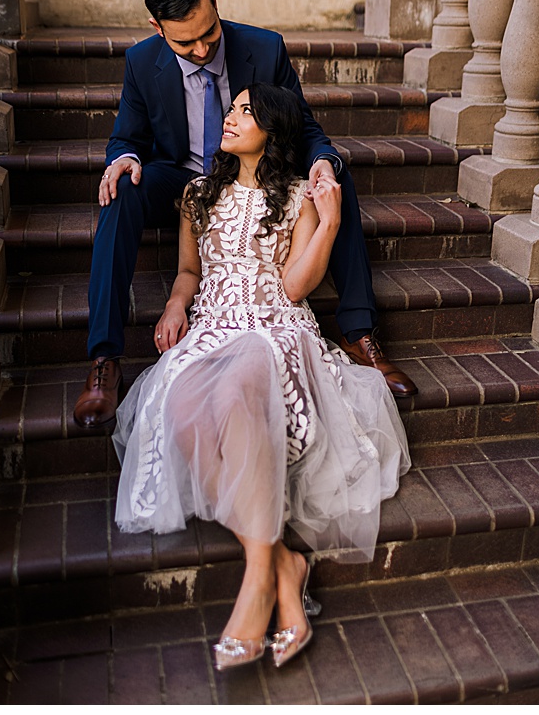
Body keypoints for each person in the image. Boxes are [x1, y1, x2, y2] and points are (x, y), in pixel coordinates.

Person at [111, 82, 411, 671]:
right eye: (231, 108)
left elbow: (296, 286)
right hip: (210, 326)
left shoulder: (299, 197)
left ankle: (256, 588)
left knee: (244, 374)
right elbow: (187, 271)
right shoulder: (198, 194)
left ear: (272, 130)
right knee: (182, 401)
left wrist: (328, 222)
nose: (231, 116)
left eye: (246, 111)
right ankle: (282, 566)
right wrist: (176, 304)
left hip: (275, 324)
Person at [76, 0, 416, 429]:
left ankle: (361, 335)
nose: (199, 49)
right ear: (157, 27)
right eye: (183, 42)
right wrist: (124, 159)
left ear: (215, 2)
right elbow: (125, 138)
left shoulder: (264, 48)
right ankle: (105, 360)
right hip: (184, 179)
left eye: (207, 34)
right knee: (119, 192)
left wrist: (321, 163)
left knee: (336, 178)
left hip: (254, 173)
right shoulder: (140, 62)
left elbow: (305, 128)